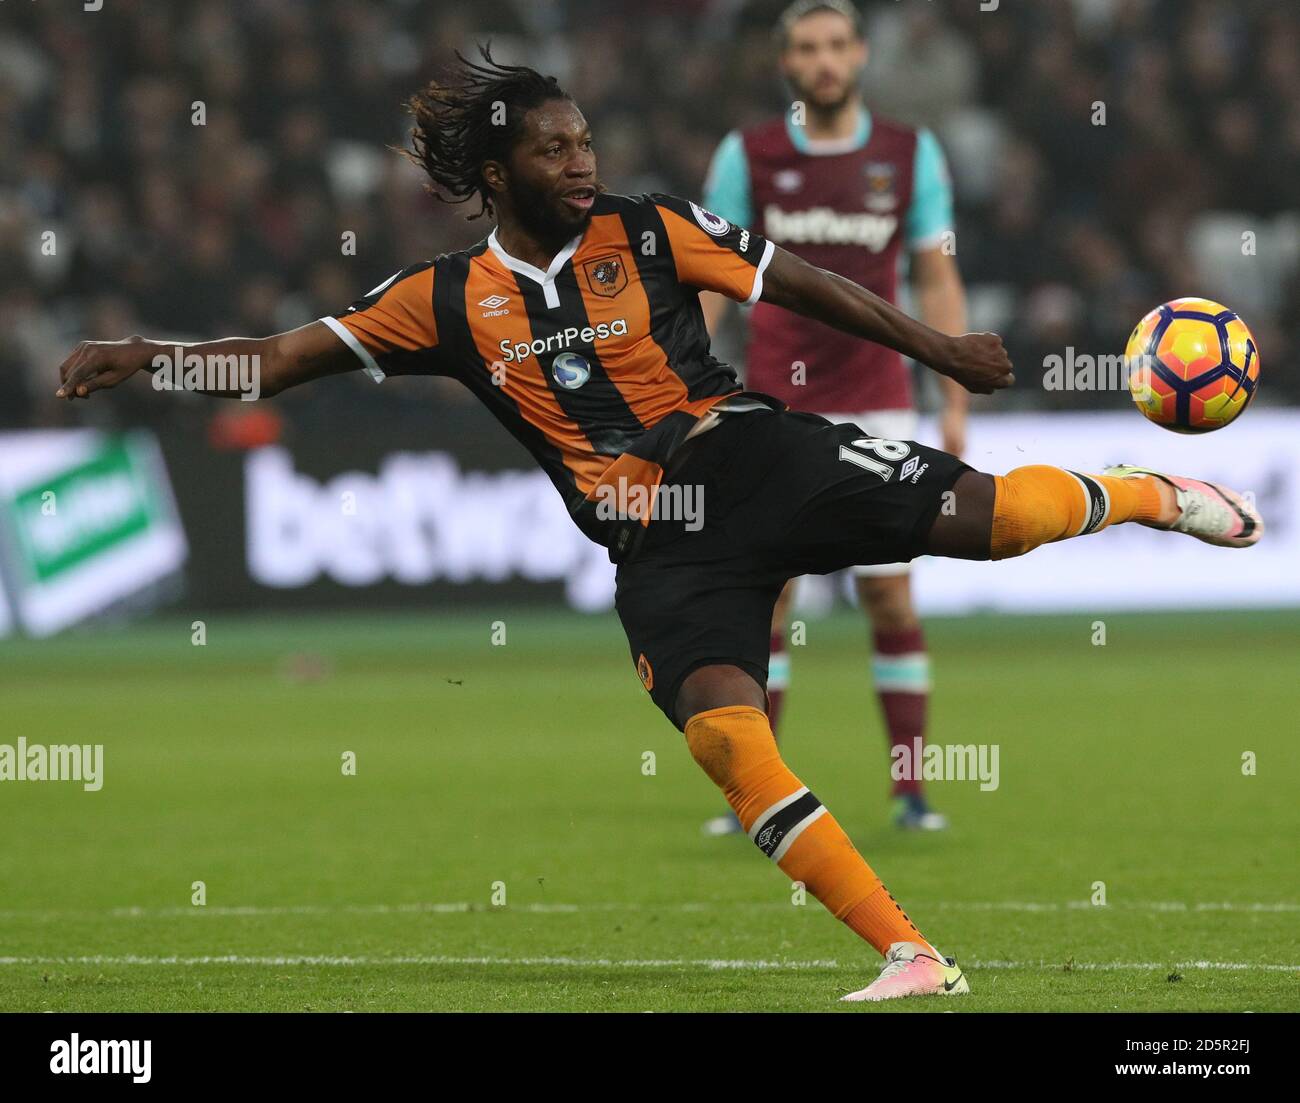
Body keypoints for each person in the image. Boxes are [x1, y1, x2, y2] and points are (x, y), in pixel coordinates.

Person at [55, 49, 1262, 1002]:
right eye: (555, 147)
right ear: (498, 169)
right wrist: (144, 360)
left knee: (994, 523)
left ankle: (1150, 493)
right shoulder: (437, 301)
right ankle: (911, 953)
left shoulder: (646, 230)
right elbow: (271, 365)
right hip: (657, 545)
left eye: (584, 140)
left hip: (751, 453)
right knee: (727, 744)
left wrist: (934, 344)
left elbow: (794, 281)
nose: (582, 161)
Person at [701, 0, 966, 833]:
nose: (823, 61)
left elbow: (936, 275)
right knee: (769, 598)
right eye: (807, 48)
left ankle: (912, 790)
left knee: (889, 596)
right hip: (775, 401)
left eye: (837, 46)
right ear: (786, 62)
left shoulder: (909, 154)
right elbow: (709, 277)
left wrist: (951, 394)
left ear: (859, 55)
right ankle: (759, 794)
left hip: (882, 398)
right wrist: (684, 390)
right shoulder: (747, 156)